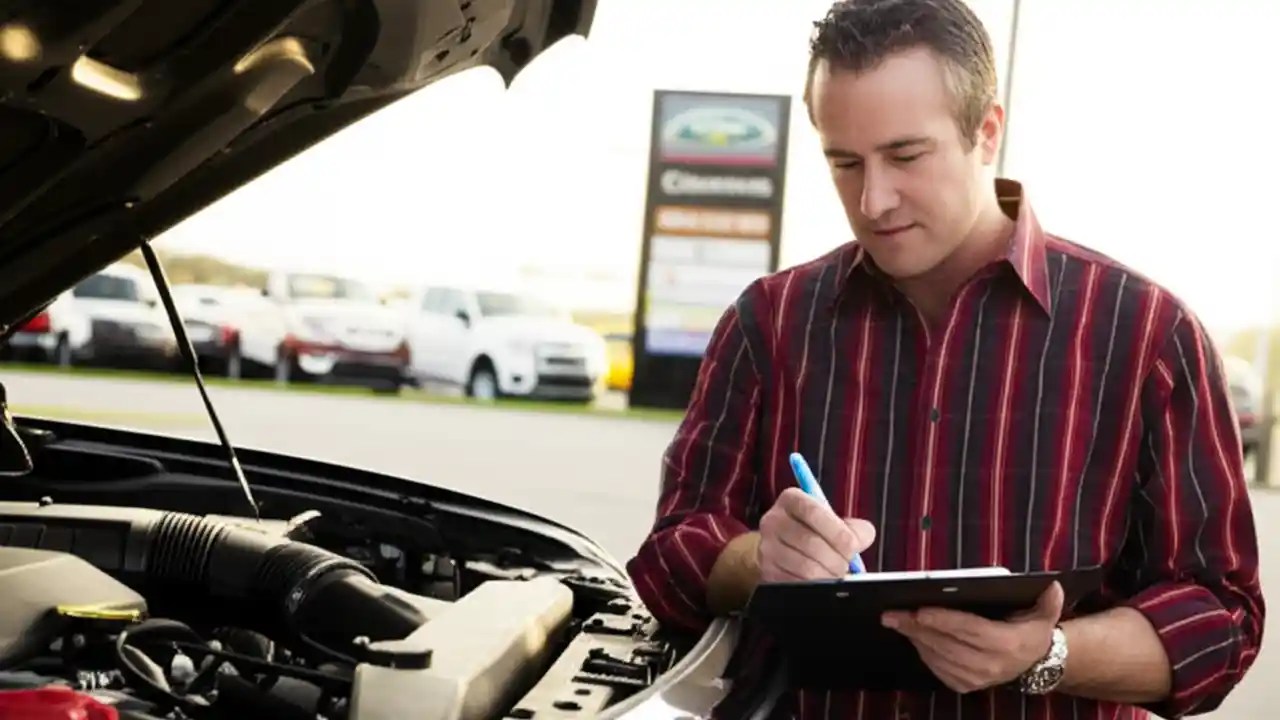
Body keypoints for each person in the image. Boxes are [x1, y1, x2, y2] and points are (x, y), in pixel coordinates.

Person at [625, 1, 1265, 718]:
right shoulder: (769, 323)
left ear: (986, 131)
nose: (873, 199)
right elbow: (669, 557)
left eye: (904, 156)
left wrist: (1048, 654)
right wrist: (759, 564)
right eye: (844, 162)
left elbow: (1222, 621)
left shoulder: (1147, 333)